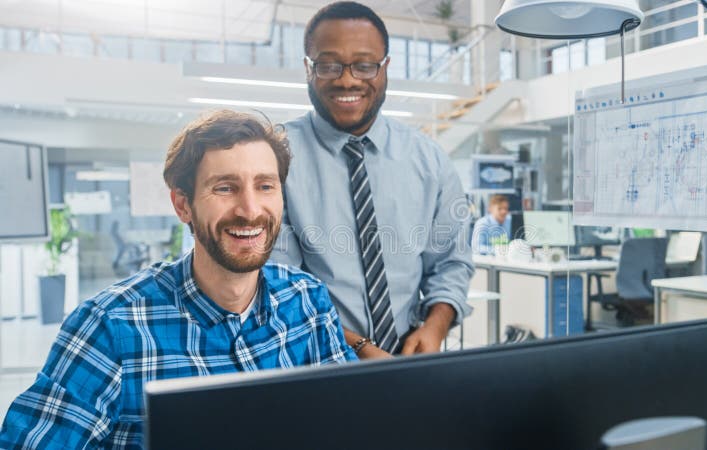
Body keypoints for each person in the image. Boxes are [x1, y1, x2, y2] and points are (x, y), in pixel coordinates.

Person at [0, 110, 356, 449]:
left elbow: (351, 421)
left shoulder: (307, 300)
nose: (250, 209)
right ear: (182, 205)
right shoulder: (110, 327)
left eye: (265, 186)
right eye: (225, 188)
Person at [272, 1, 474, 359]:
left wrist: (435, 325)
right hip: (312, 361)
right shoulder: (274, 158)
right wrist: (359, 348)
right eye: (329, 65)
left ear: (385, 68)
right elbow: (279, 285)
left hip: (409, 362)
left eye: (364, 65)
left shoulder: (429, 160)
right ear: (308, 68)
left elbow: (451, 262)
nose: (348, 79)